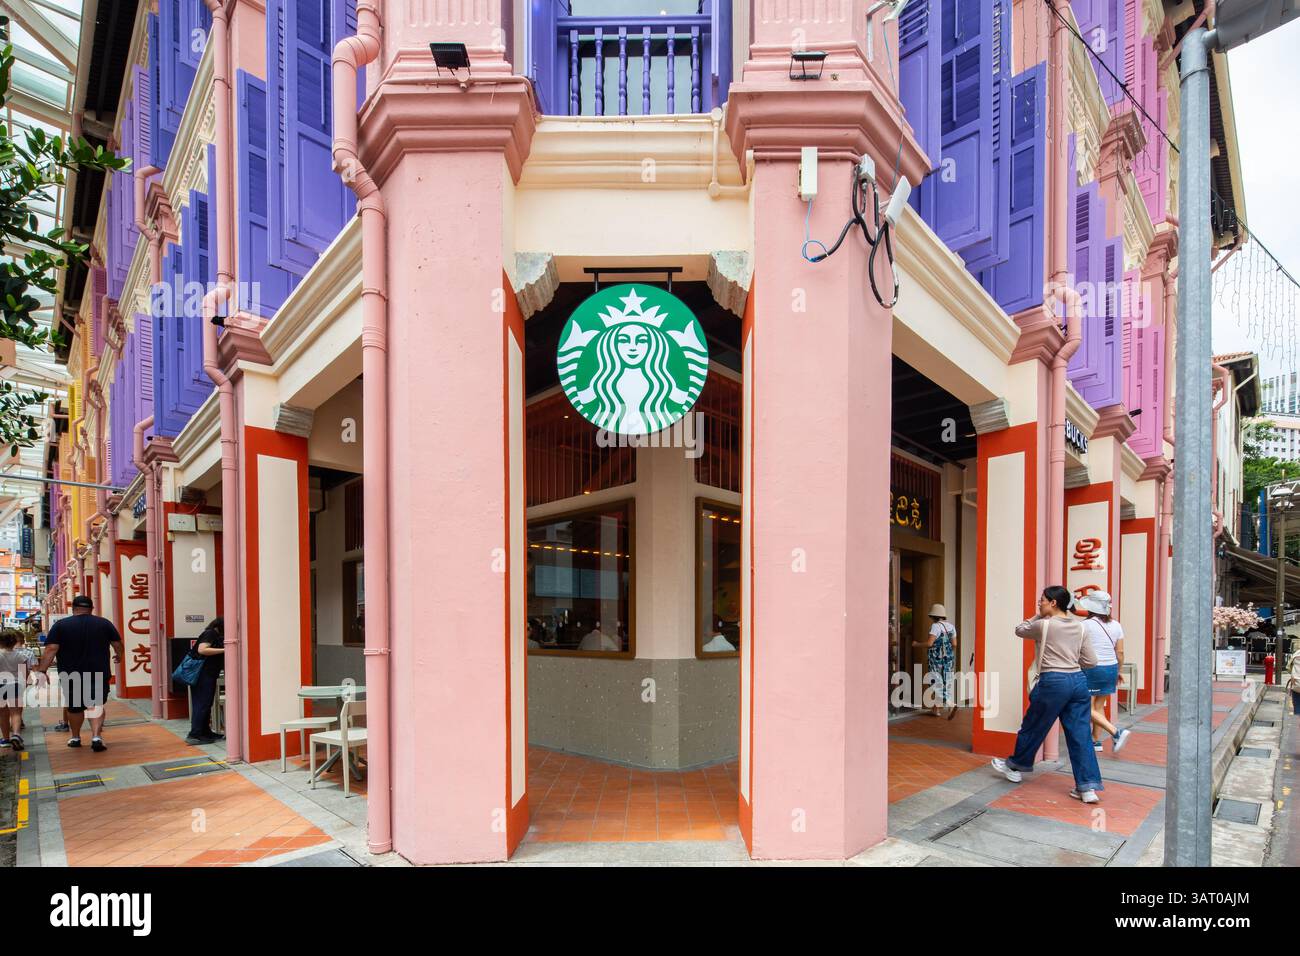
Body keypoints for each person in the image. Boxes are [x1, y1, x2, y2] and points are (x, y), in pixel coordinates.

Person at [991, 585, 1106, 804]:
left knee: (1034, 726)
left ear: (1053, 603)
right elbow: (1091, 661)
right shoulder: (1081, 628)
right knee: (1080, 735)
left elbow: (1020, 629)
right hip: (1078, 682)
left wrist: (1038, 615)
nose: (1039, 603)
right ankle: (1088, 787)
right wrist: (1071, 660)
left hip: (1053, 681)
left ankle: (1016, 767)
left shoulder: (1043, 625)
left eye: (1042, 600)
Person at [34, 596, 124, 752]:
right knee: (95, 703)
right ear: (91, 608)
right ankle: (96, 736)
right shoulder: (104, 623)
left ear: (74, 608)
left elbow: (51, 649)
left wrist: (42, 670)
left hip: (71, 673)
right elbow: (117, 644)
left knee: (75, 707)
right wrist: (119, 655)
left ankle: (75, 737)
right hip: (98, 671)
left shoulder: (61, 626)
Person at [1077, 590, 1132, 754]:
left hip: (1092, 668)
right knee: (1099, 705)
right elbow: (1120, 652)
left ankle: (1116, 732)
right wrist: (1118, 671)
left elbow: (1078, 649)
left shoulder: (1085, 625)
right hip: (1111, 668)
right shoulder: (1116, 625)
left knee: (1087, 706)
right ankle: (1095, 741)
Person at [913, 603, 957, 718]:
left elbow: (929, 643)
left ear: (933, 616)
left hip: (936, 660)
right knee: (945, 682)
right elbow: (955, 644)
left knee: (936, 682)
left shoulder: (935, 626)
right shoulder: (951, 627)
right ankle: (935, 710)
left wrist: (916, 644)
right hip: (948, 660)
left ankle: (950, 704)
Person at [186, 618, 225, 744]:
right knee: (202, 704)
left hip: (208, 674)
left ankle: (205, 732)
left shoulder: (213, 634)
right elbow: (202, 649)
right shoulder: (211, 633)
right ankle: (195, 734)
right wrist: (226, 649)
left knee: (206, 704)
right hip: (203, 675)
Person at [0, 629, 35, 751]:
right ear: (14, 641)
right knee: (16, 712)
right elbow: (25, 673)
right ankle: (16, 734)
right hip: (15, 684)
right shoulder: (20, 655)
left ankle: (5, 739)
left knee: (3, 714)